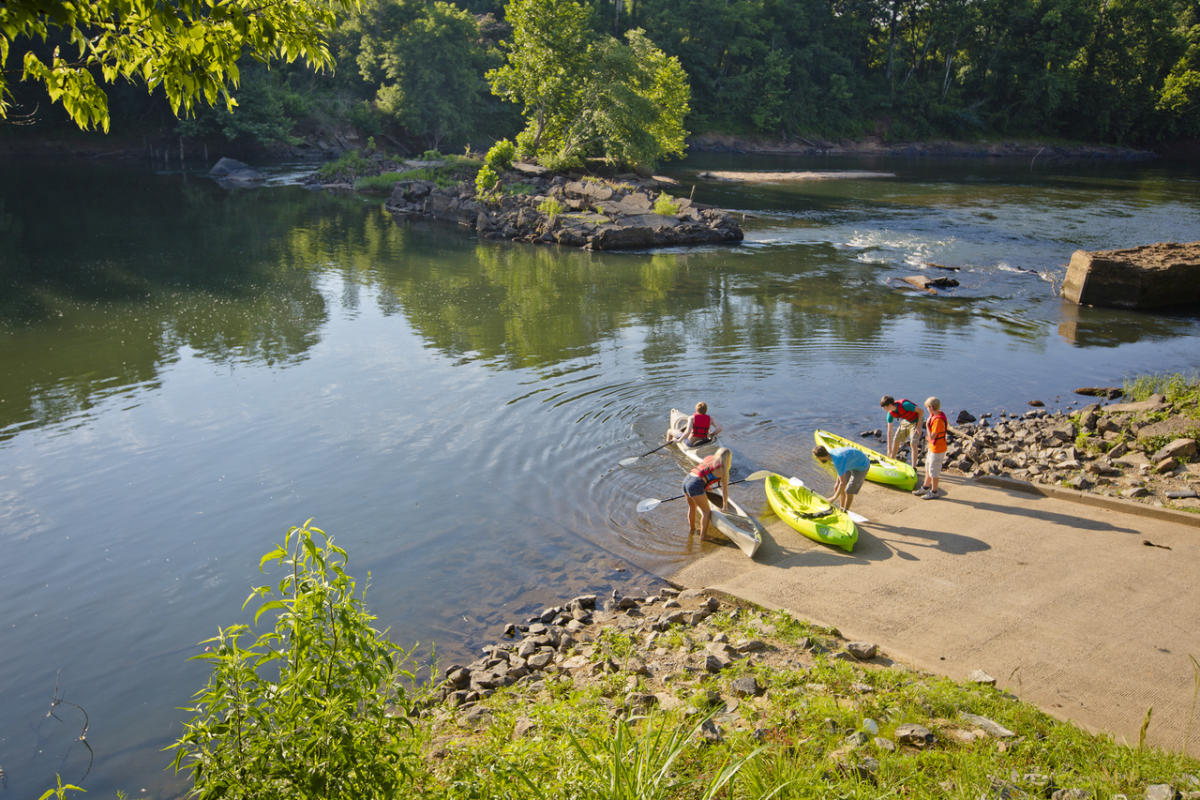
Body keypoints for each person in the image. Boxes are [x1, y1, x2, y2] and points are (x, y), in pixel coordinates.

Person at [683, 446, 731, 537]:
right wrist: (725, 506)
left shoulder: (709, 457)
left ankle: (692, 530)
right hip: (695, 484)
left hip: (687, 479)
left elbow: (703, 472)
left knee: (692, 507)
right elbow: (724, 490)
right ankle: (703, 537)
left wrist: (706, 486)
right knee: (706, 512)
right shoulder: (723, 469)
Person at [812, 444, 870, 512]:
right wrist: (837, 482)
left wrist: (833, 498)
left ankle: (845, 511)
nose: (817, 459)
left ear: (820, 457)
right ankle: (841, 507)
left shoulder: (837, 460)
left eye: (817, 458)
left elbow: (843, 482)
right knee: (838, 486)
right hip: (850, 464)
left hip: (862, 466)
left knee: (848, 491)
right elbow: (840, 470)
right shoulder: (831, 454)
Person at [917, 396, 948, 499]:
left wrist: (926, 426)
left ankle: (934, 491)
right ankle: (925, 487)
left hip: (938, 448)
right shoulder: (935, 415)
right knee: (928, 467)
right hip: (933, 447)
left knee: (934, 470)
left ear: (931, 407)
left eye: (927, 407)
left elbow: (932, 436)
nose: (927, 409)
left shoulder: (938, 421)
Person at [880, 395, 923, 469]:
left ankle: (914, 467)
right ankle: (891, 460)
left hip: (916, 421)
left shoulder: (905, 405)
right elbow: (889, 432)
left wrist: (919, 426)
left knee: (913, 443)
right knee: (896, 440)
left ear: (889, 405)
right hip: (906, 421)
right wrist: (889, 450)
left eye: (884, 407)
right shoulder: (890, 414)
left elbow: (921, 411)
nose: (883, 409)